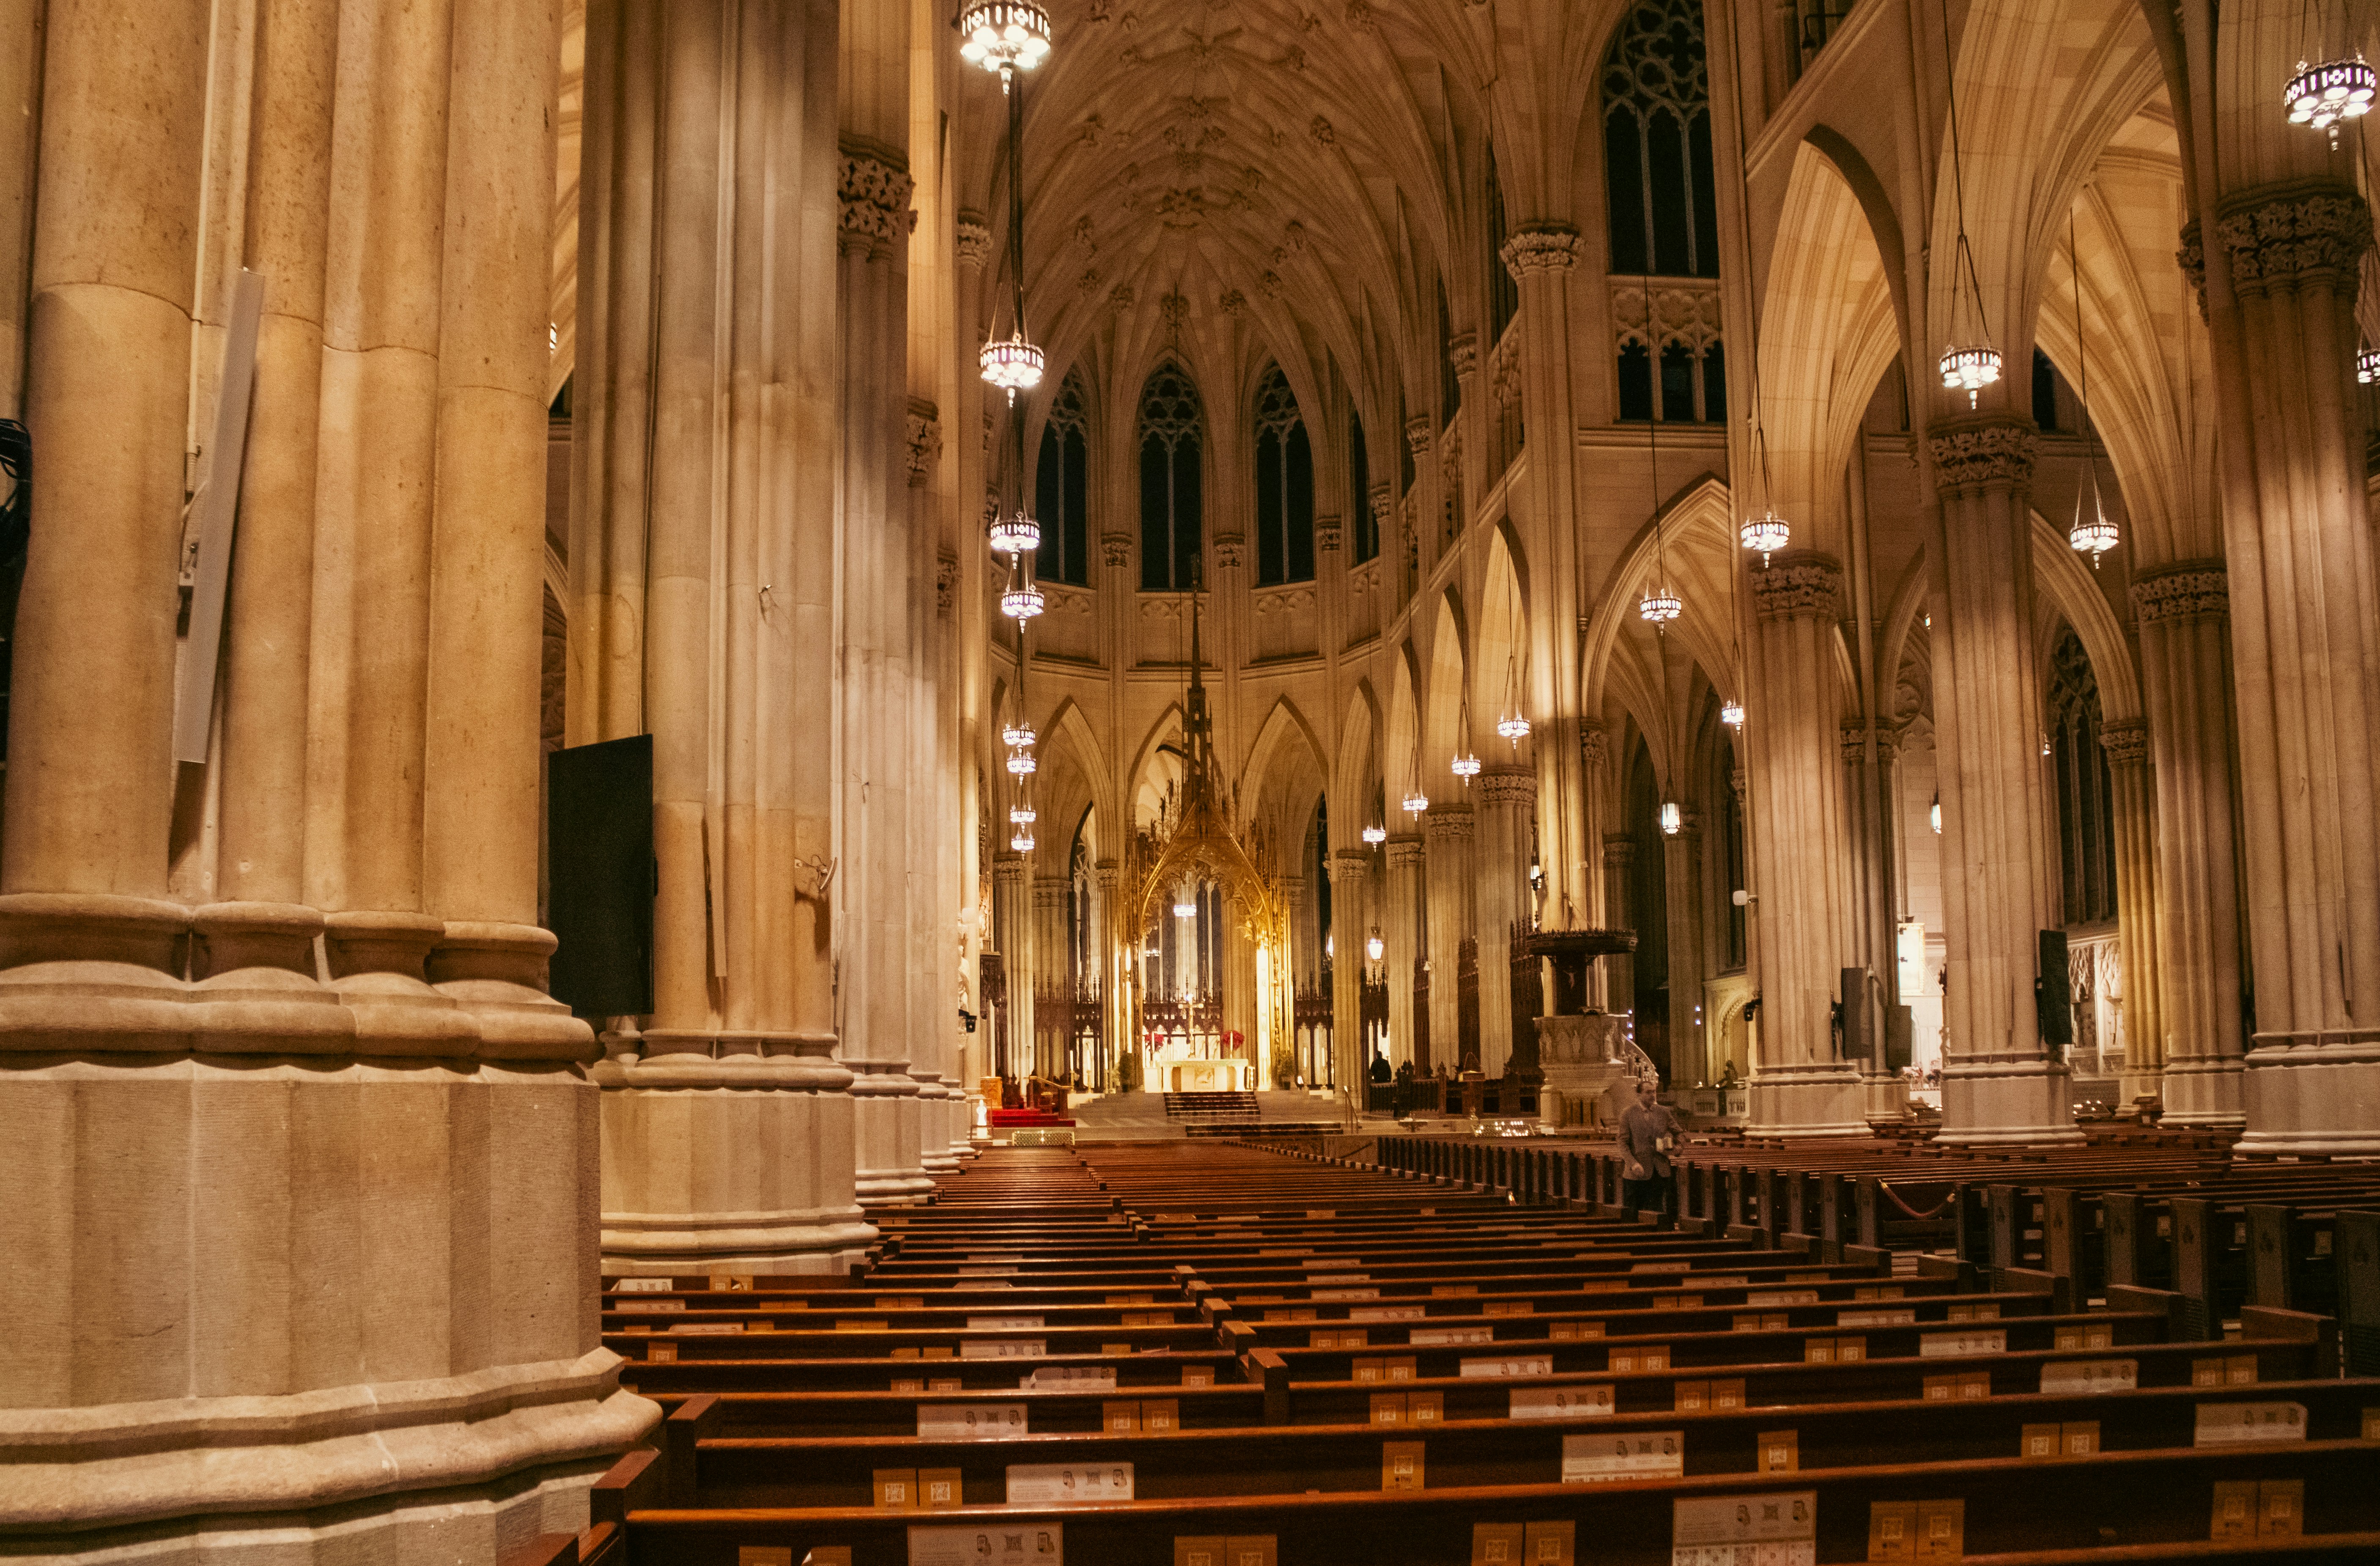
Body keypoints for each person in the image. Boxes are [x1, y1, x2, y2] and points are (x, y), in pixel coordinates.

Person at [1618, 1076, 1683, 1217]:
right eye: (1648, 1092)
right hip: (1637, 1171)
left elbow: (1679, 1133)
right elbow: (1622, 1143)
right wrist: (1633, 1163)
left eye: (1654, 1092)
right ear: (1639, 1095)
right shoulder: (1628, 1113)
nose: (1652, 1095)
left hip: (1660, 1169)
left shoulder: (1663, 1112)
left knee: (1657, 1212)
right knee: (1634, 1212)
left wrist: (1679, 1148)